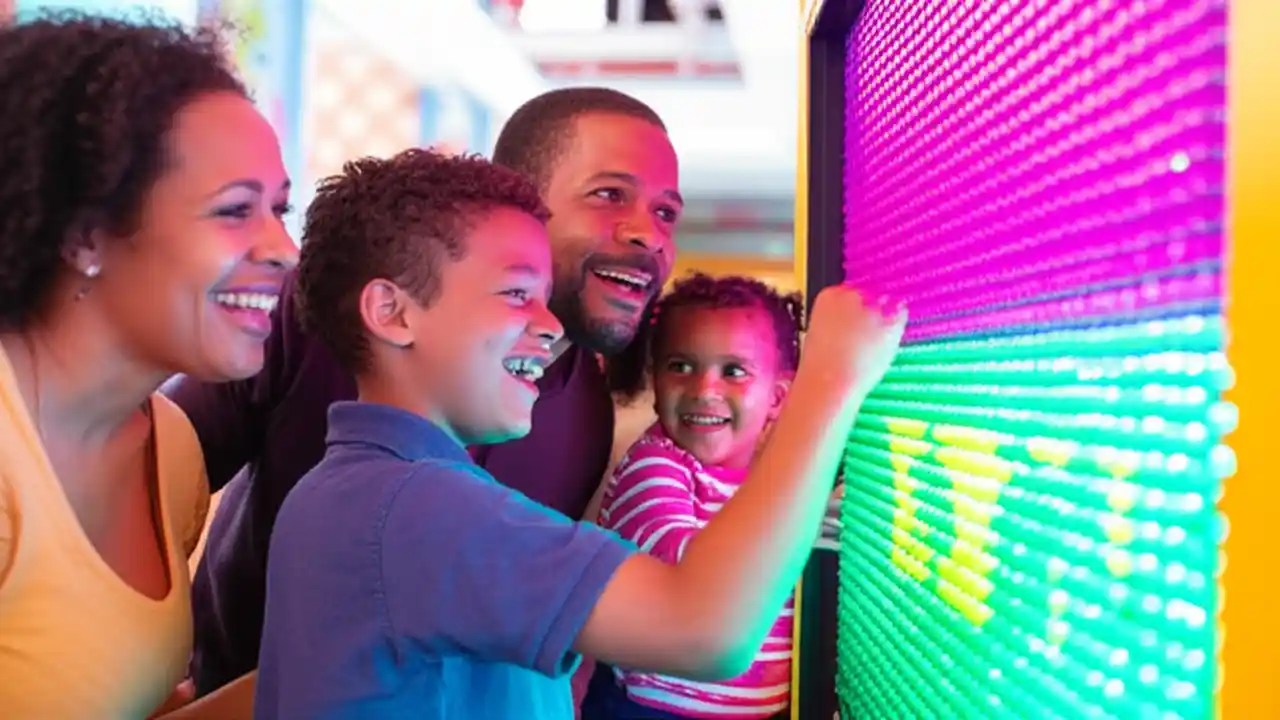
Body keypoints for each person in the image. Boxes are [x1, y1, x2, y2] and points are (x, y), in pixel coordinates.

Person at [252, 148, 906, 719]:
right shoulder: (418, 509)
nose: (549, 325)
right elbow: (706, 628)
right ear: (392, 312)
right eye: (515, 295)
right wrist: (831, 377)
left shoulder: (337, 494)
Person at [164, 86, 684, 696]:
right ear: (513, 199)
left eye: (667, 212)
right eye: (609, 195)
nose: (648, 234)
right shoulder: (317, 316)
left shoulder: (583, 418)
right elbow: (158, 476)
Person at [0, 12, 296, 718]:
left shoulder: (170, 448)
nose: (285, 248)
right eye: (235, 211)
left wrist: (329, 674)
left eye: (282, 209)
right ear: (87, 234)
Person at [587, 273, 809, 720]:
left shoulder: (767, 483)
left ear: (778, 397)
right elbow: (690, 581)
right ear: (655, 382)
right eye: (681, 366)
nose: (704, 390)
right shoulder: (657, 466)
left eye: (734, 371)